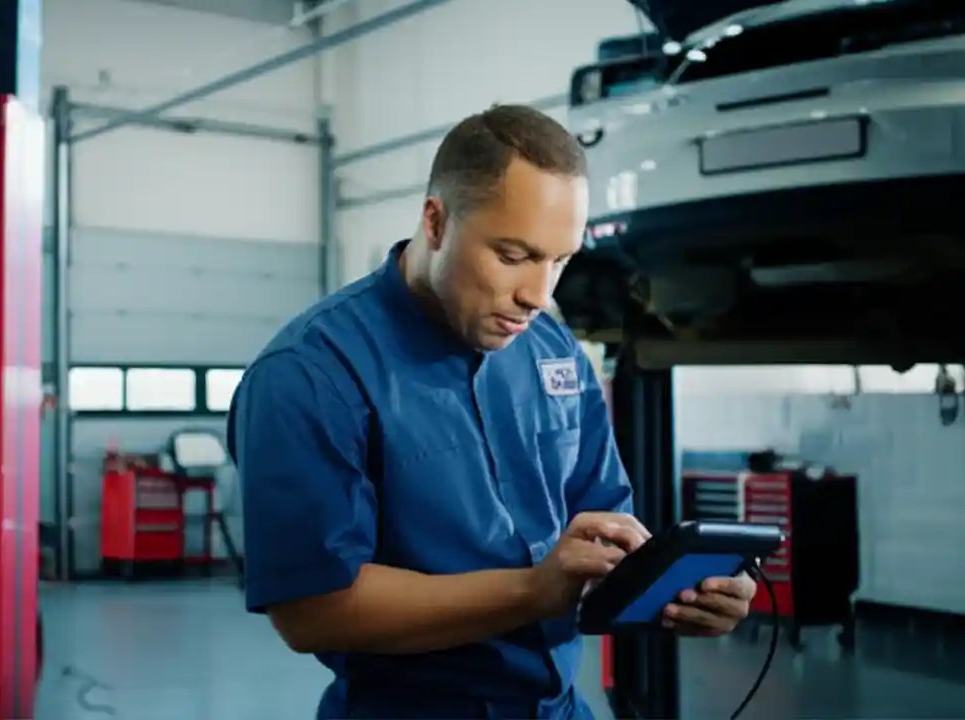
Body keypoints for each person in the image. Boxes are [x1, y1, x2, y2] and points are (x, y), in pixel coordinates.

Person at [226, 104, 755, 719]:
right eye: (512, 255)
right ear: (435, 220)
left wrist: (677, 590)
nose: (537, 294)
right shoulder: (310, 374)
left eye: (560, 261)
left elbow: (598, 531)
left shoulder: (552, 350)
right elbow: (311, 610)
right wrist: (533, 591)